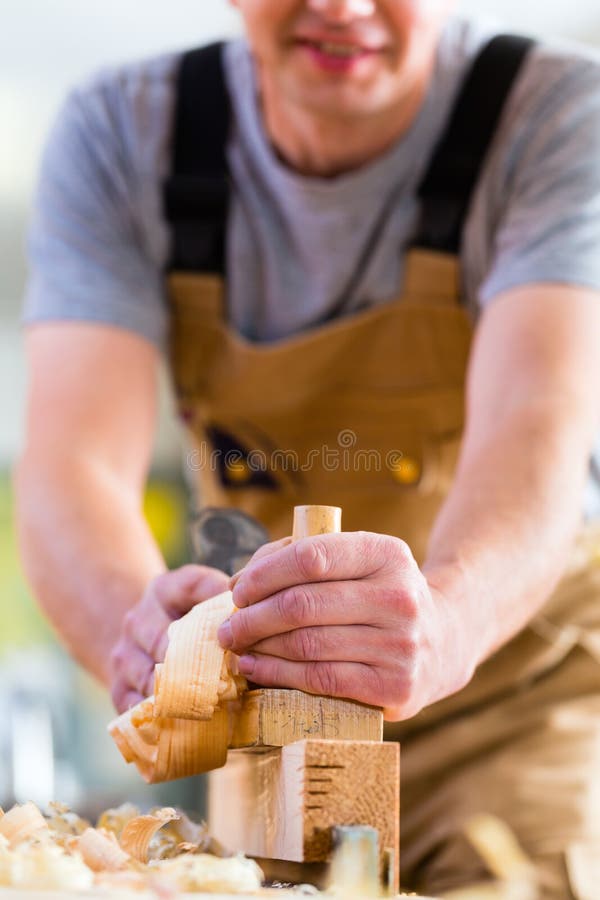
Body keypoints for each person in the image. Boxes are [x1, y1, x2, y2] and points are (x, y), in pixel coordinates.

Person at [16, 0, 600, 895]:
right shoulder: (121, 134)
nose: (341, 8)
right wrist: (143, 642)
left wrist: (448, 622)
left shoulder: (557, 115)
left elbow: (537, 425)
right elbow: (74, 465)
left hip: (516, 695)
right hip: (270, 717)